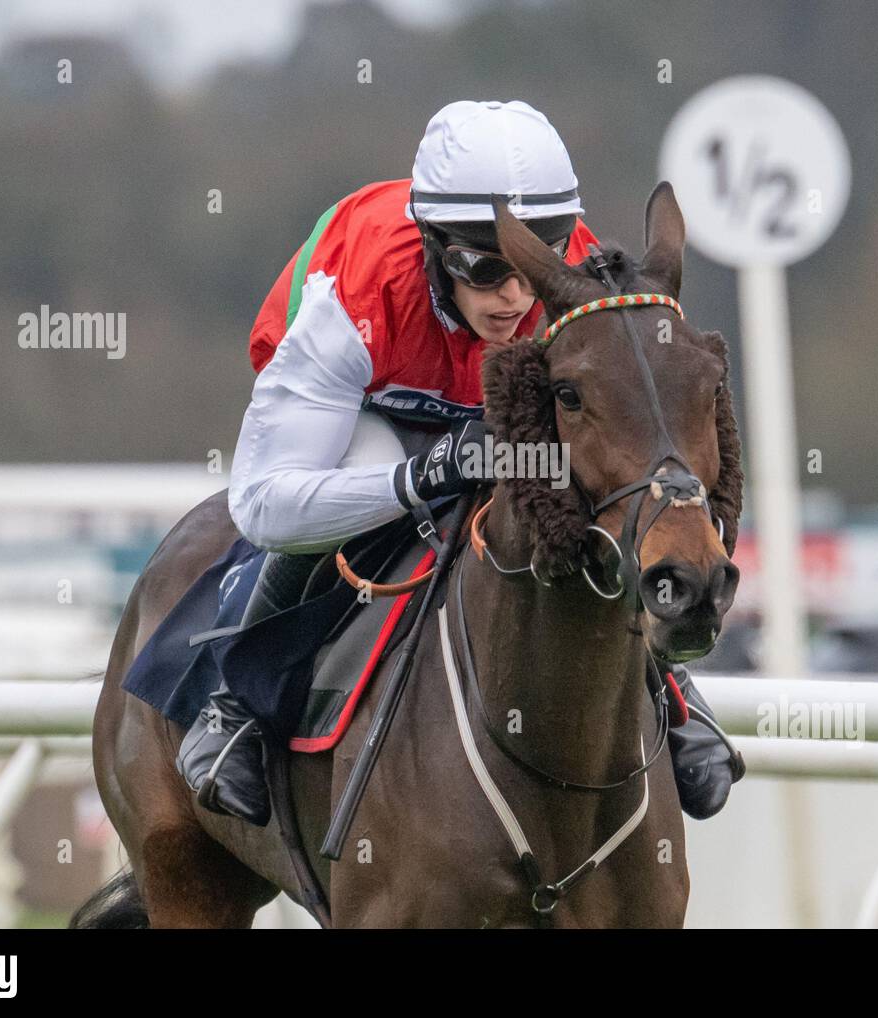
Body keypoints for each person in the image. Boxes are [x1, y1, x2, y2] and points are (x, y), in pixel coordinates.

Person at [175, 100, 737, 827]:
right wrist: (422, 475)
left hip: (488, 401)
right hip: (369, 400)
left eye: (534, 268)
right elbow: (263, 506)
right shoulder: (355, 295)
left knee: (584, 492)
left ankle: (672, 688)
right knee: (367, 486)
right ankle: (233, 709)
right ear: (435, 247)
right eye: (483, 268)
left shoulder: (579, 277)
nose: (513, 296)